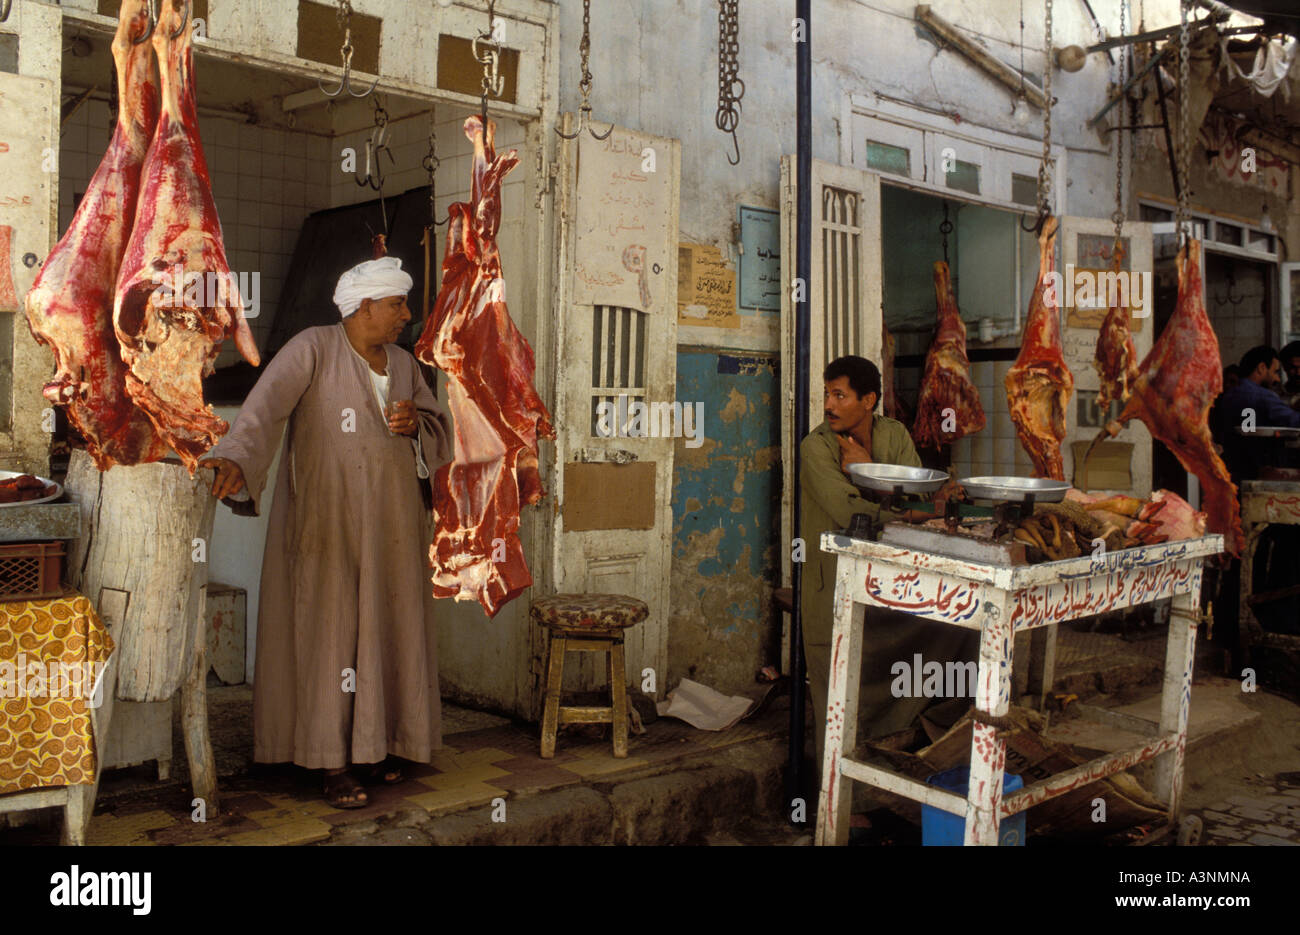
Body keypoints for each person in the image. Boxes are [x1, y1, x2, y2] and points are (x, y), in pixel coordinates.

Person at [198, 256, 453, 809]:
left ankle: (380, 747)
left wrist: (419, 428)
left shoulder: (406, 366)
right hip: (325, 523)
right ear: (364, 307)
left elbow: (439, 428)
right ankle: (329, 762)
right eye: (397, 305)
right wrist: (237, 457)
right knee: (330, 632)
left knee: (388, 626)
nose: (405, 316)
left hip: (393, 528)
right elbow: (262, 411)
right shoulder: (311, 347)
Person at [798, 355, 976, 772]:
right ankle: (842, 802)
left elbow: (915, 496)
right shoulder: (815, 447)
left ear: (868, 400)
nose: (829, 404)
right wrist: (881, 490)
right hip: (835, 583)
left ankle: (902, 774)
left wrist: (866, 469)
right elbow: (848, 511)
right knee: (838, 693)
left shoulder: (893, 434)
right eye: (827, 394)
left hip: (893, 580)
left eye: (839, 395)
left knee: (941, 645)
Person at [1211, 345, 1300, 483]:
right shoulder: (1263, 397)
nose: (1276, 378)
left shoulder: (1228, 395)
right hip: (1260, 472)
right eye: (1275, 371)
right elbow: (1294, 421)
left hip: (1231, 471)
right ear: (1261, 368)